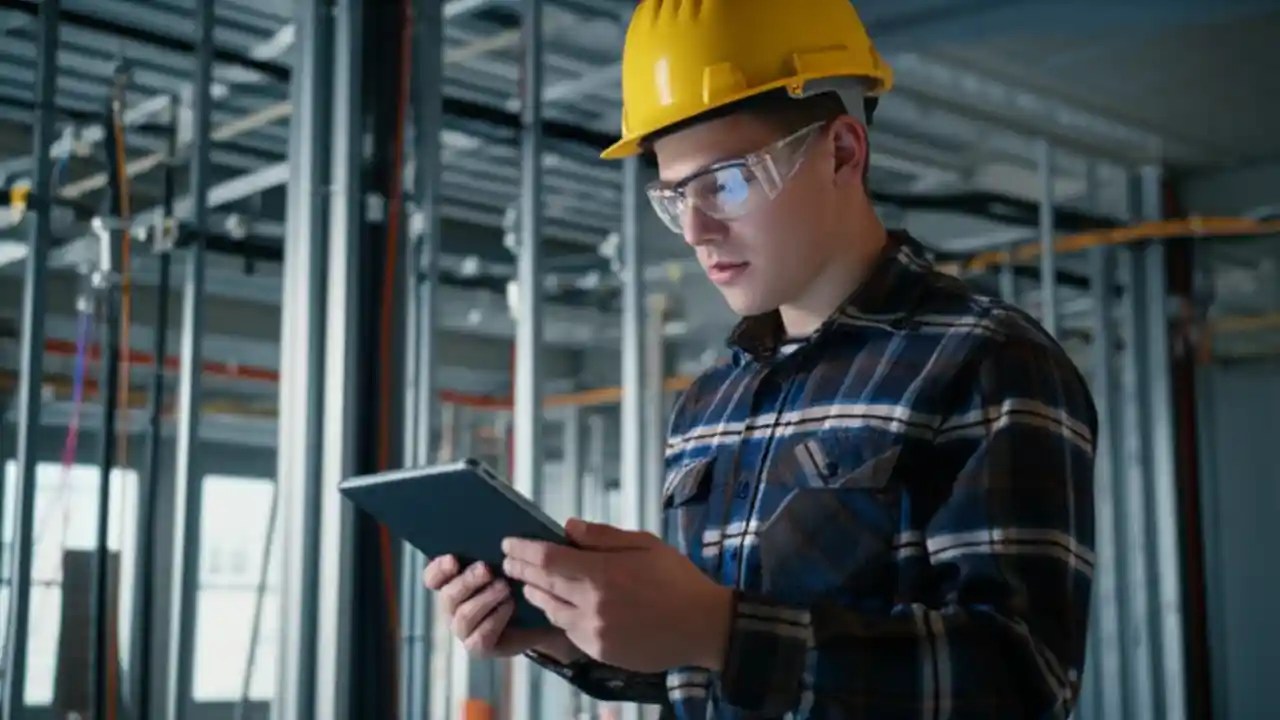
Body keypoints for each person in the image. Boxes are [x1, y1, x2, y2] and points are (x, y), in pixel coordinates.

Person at [423, 0, 1099, 717]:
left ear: (843, 150)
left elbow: (1023, 683)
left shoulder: (988, 361)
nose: (694, 229)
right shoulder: (711, 401)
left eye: (727, 182)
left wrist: (716, 628)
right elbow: (713, 673)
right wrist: (571, 633)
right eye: (674, 195)